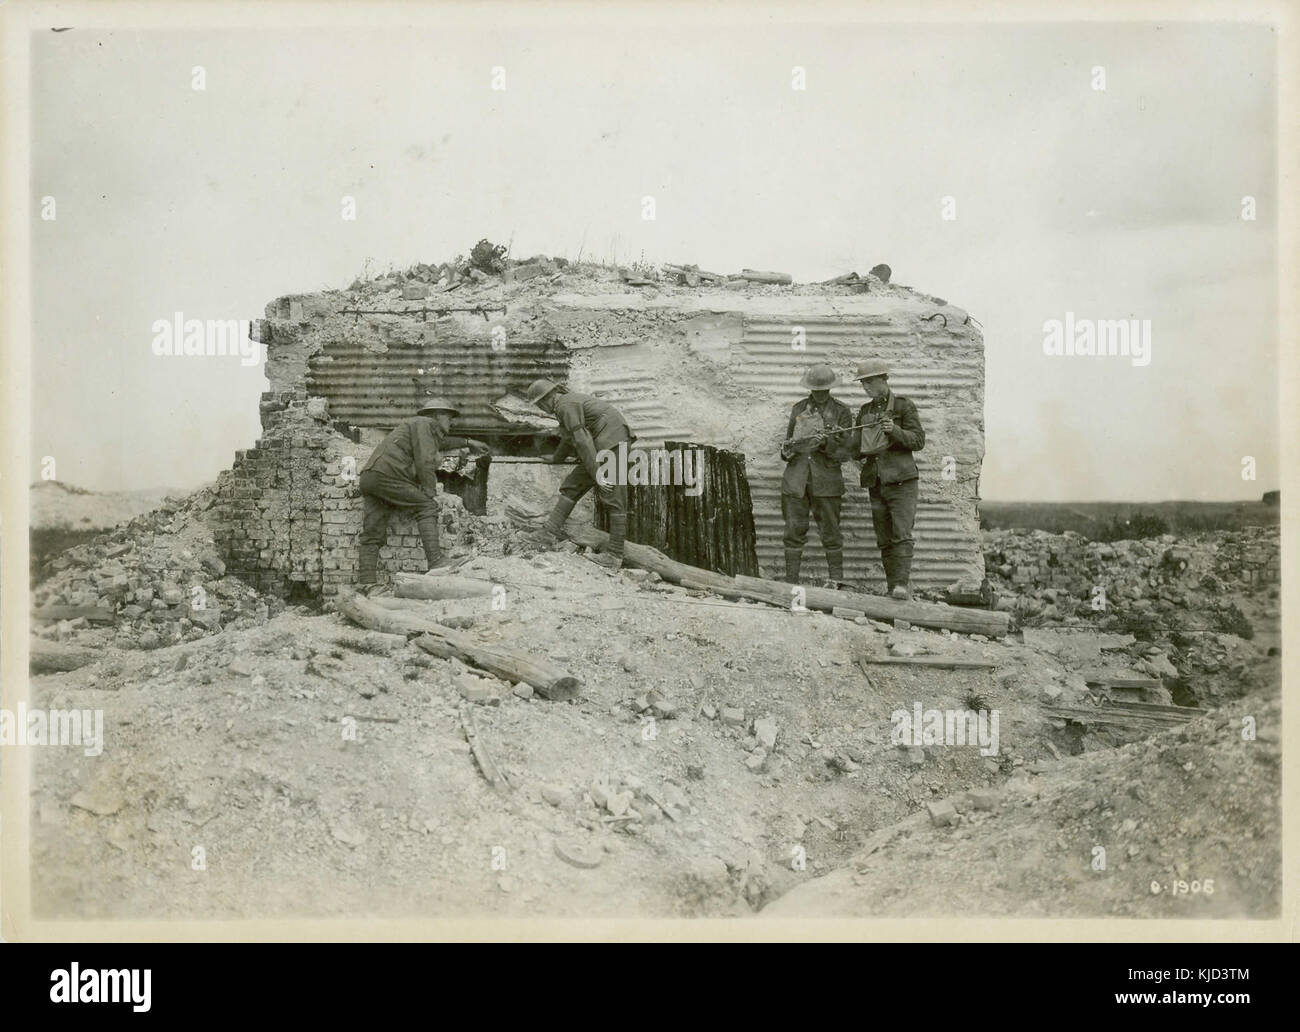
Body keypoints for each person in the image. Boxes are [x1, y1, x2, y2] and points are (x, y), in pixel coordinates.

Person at [355, 398, 489, 589]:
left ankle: (366, 583)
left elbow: (439, 443)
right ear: (438, 416)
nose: (452, 422)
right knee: (427, 505)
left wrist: (468, 442)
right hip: (389, 477)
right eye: (450, 418)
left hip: (371, 478)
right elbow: (425, 460)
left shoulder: (418, 426)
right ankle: (436, 561)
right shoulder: (426, 424)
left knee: (372, 533)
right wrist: (430, 491)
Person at [525, 378, 635, 570]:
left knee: (613, 496)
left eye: (539, 405)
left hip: (613, 443)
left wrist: (597, 472)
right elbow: (569, 438)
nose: (541, 410)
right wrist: (556, 458)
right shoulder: (566, 405)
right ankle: (548, 533)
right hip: (605, 445)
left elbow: (582, 440)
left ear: (545, 400)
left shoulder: (566, 405)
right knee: (572, 485)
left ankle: (614, 556)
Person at [850, 360, 925, 599]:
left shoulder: (903, 406)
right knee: (883, 539)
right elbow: (856, 449)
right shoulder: (865, 411)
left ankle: (901, 585)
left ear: (883, 379)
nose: (866, 388)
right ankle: (893, 588)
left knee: (901, 534)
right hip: (876, 482)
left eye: (869, 382)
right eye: (863, 384)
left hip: (902, 481)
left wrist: (894, 430)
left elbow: (918, 441)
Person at [779, 364, 856, 586]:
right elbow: (789, 443)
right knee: (793, 533)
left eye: (823, 389)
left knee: (831, 534)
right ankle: (791, 584)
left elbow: (846, 453)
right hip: (797, 480)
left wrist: (826, 443)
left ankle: (836, 584)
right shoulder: (799, 409)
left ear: (831, 388)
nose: (819, 393)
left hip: (827, 482)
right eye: (815, 389)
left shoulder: (842, 412)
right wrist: (786, 450)